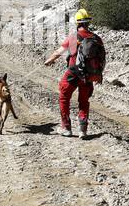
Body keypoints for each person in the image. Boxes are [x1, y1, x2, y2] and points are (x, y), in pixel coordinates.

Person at [43, 9, 105, 138]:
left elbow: (59, 52)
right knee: (83, 101)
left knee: (64, 98)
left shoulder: (74, 37)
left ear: (77, 23)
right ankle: (83, 130)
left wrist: (49, 61)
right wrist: (99, 74)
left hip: (73, 73)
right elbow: (102, 58)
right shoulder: (97, 39)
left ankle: (66, 128)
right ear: (88, 23)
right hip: (88, 75)